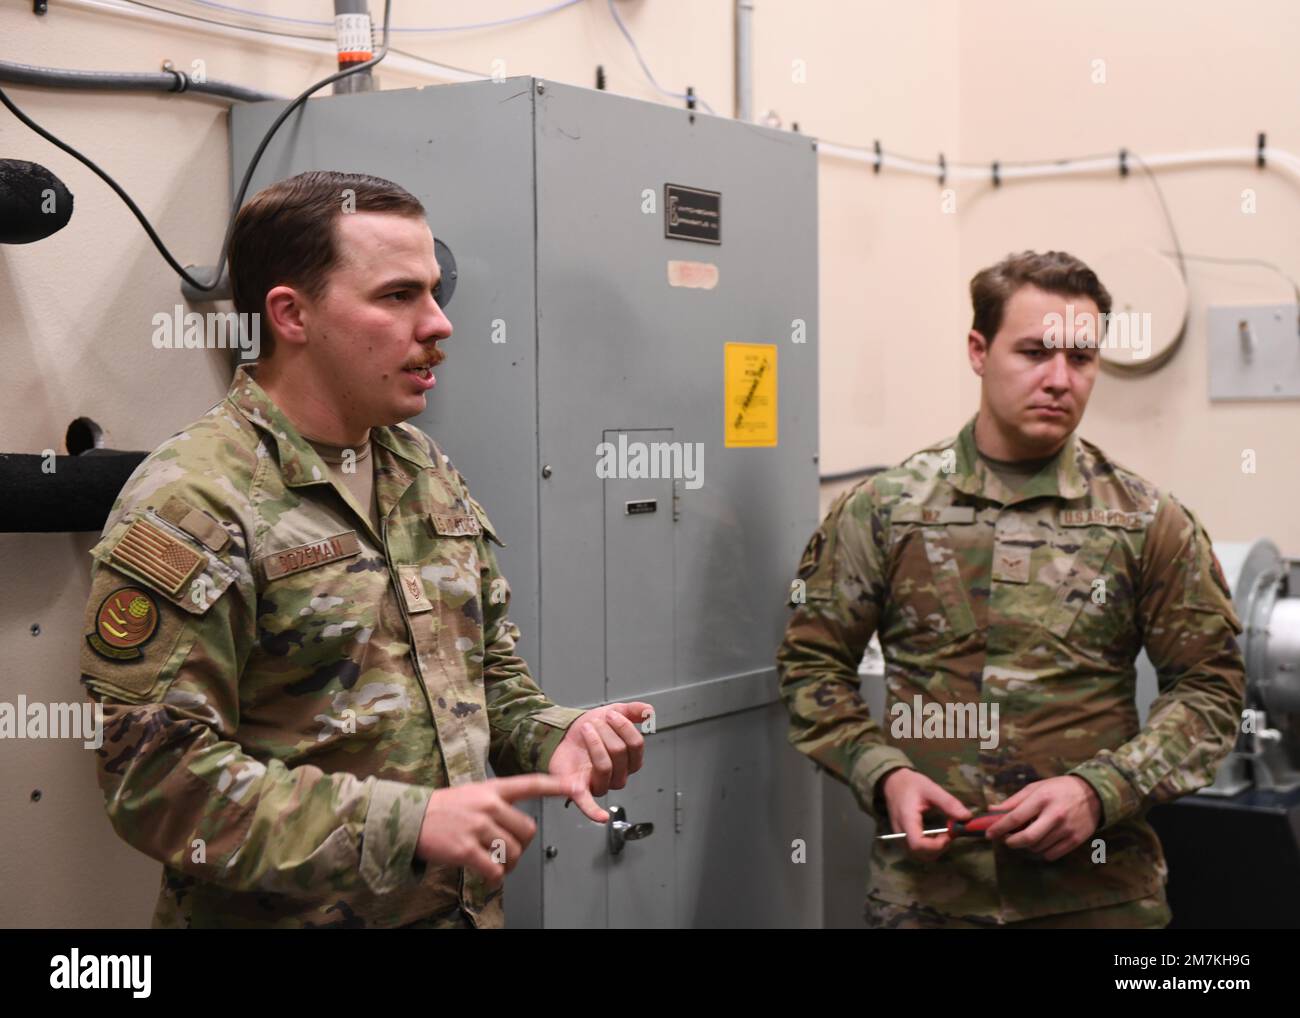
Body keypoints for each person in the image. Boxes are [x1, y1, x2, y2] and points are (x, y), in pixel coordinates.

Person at [79, 170, 650, 928]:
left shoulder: (419, 467)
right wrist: (404, 825)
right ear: (291, 314)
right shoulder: (197, 502)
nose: (439, 323)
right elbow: (155, 781)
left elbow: (485, 680)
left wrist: (555, 734)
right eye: (398, 295)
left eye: (436, 291)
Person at [777, 250, 1245, 928]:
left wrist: (1103, 789)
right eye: (1034, 351)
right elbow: (810, 666)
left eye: (1081, 359)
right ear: (978, 349)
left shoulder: (1146, 521)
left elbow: (1211, 692)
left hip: (1098, 896)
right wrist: (883, 773)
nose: (1060, 379)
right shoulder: (885, 510)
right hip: (930, 896)